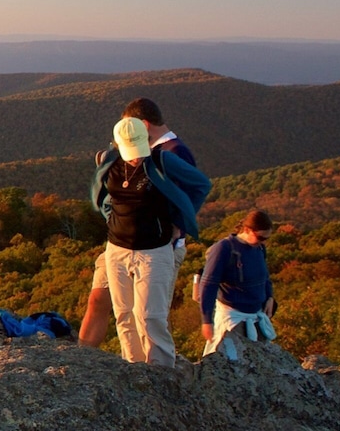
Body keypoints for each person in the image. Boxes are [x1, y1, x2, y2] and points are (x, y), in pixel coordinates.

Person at [90, 116, 212, 367]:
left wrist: (180, 222)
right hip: (117, 249)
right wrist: (110, 217)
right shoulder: (110, 161)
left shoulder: (161, 160)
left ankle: (161, 373)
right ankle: (134, 369)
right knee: (124, 315)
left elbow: (201, 184)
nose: (136, 157)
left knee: (149, 316)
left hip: (154, 251)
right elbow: (102, 194)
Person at [198, 211, 278, 360]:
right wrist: (206, 320)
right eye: (260, 237)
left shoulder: (259, 248)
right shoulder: (224, 248)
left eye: (267, 238)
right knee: (228, 364)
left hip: (256, 317)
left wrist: (269, 297)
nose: (264, 242)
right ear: (247, 230)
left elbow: (265, 276)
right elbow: (208, 284)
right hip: (233, 318)